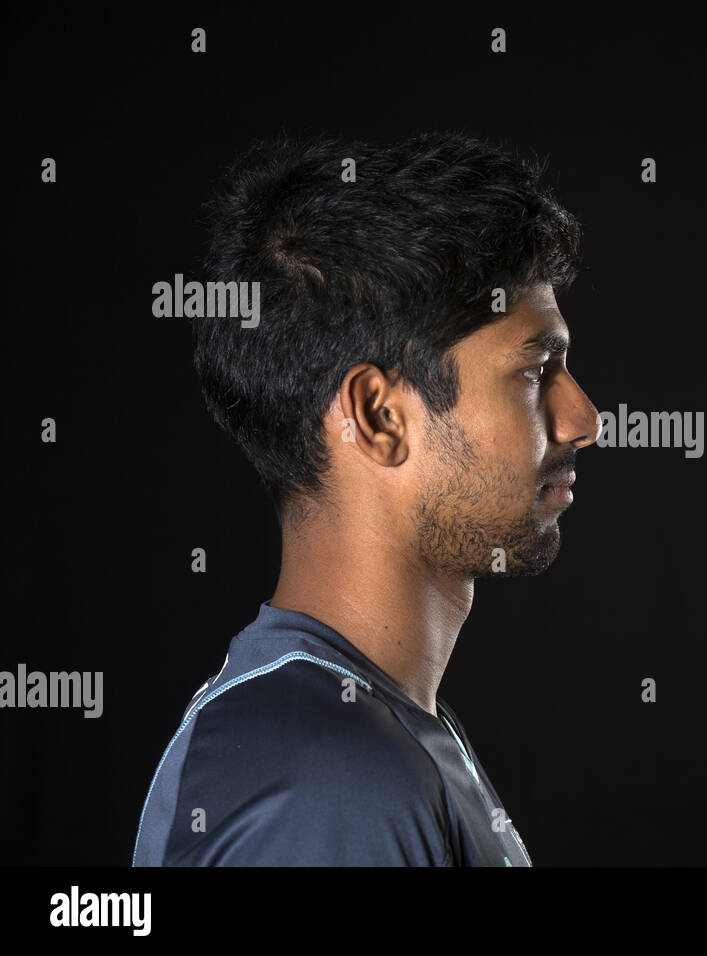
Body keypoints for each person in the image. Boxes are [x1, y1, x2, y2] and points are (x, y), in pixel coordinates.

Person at [133, 132, 599, 866]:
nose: (584, 419)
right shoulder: (324, 784)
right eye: (537, 370)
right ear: (379, 418)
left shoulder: (369, 731)